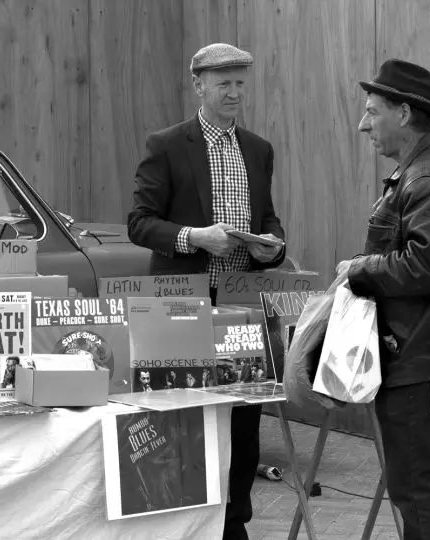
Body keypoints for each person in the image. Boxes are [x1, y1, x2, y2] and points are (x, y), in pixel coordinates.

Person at [127, 42, 286, 540]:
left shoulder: (258, 150)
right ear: (199, 85)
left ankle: (232, 522)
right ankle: (177, 523)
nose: (235, 92)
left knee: (243, 420)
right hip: (181, 304)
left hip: (242, 308)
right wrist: (195, 237)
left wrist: (272, 248)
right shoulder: (168, 145)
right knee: (179, 418)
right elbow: (139, 223)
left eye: (241, 83)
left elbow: (268, 220)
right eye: (224, 84)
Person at [338, 58, 430, 540]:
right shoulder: (424, 170)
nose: (364, 124)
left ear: (403, 113)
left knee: (419, 495)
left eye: (372, 111)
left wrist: (359, 269)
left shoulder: (425, 179)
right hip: (428, 357)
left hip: (422, 359)